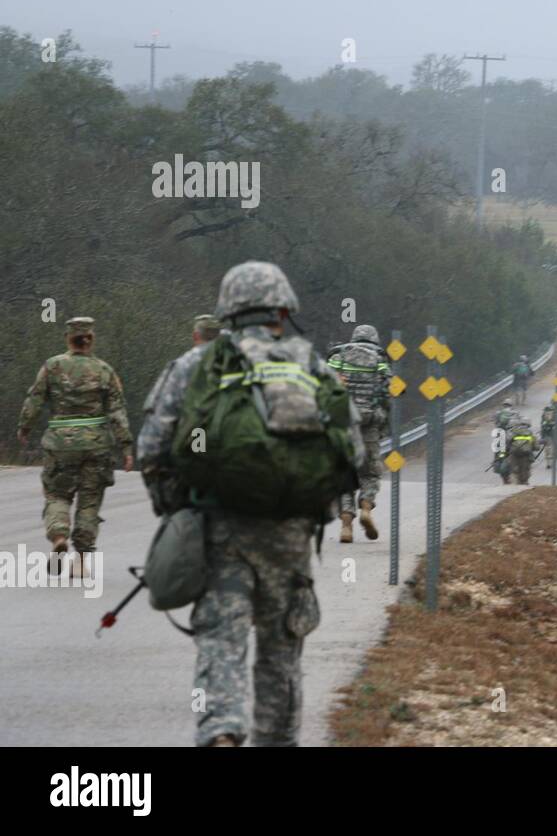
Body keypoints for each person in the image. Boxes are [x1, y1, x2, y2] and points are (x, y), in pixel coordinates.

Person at [136, 261, 363, 748]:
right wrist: (313, 504)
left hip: (219, 531)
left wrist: (176, 510)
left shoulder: (195, 366)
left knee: (221, 640)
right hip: (290, 537)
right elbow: (353, 452)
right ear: (283, 310)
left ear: (227, 312)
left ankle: (220, 734)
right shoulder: (312, 367)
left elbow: (151, 450)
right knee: (282, 650)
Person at [16, 317, 133, 574]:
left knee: (58, 494)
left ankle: (59, 536)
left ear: (68, 338)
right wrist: (126, 447)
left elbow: (34, 400)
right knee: (89, 501)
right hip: (96, 444)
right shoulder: (104, 371)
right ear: (90, 339)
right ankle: (80, 560)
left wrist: (24, 427)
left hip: (61, 443)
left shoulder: (52, 366)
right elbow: (117, 411)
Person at [327, 324, 391, 543]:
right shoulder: (380, 359)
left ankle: (346, 526)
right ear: (374, 339)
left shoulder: (339, 356)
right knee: (370, 473)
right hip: (370, 425)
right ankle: (365, 508)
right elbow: (388, 390)